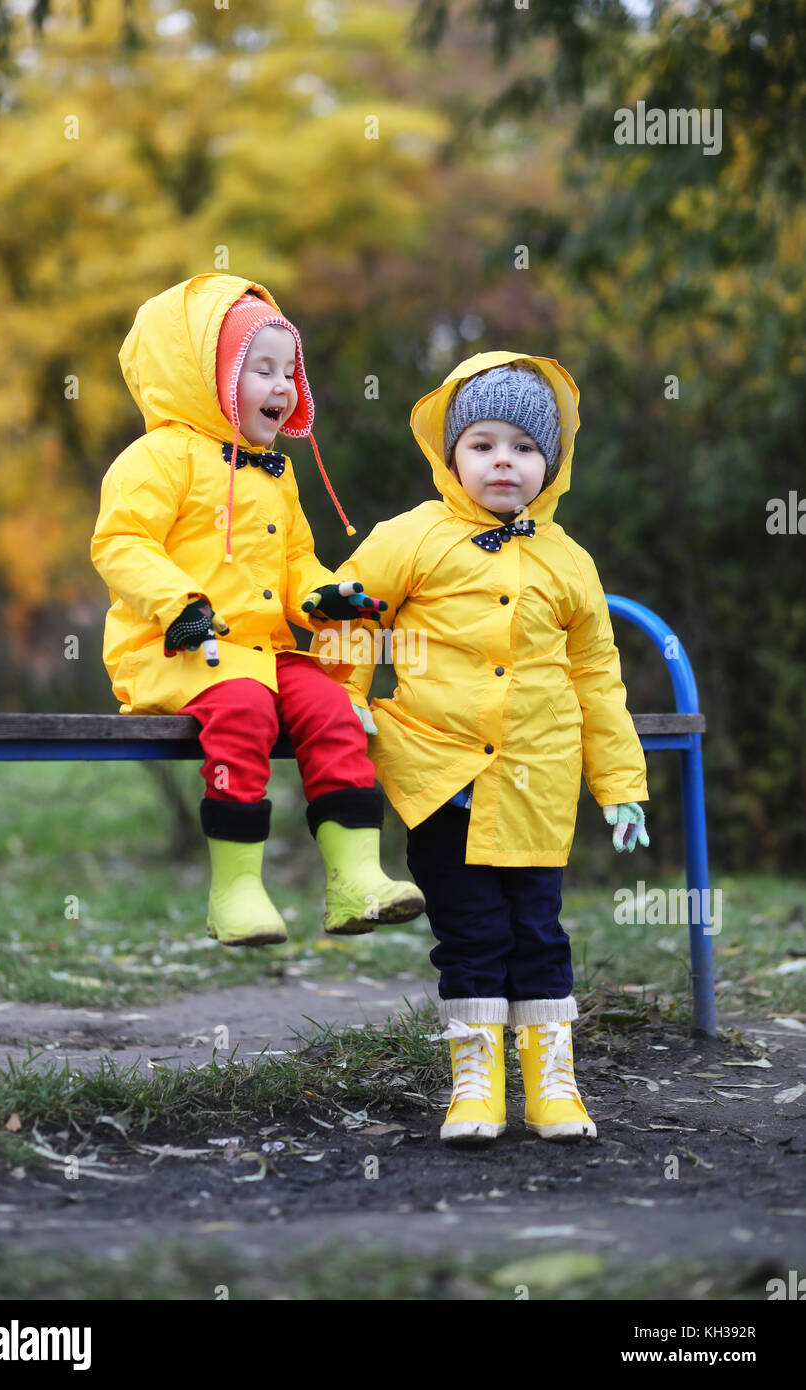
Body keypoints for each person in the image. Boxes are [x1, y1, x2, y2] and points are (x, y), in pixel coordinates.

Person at [311, 352, 650, 1143]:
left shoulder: (570, 562)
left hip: (538, 779)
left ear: (551, 465)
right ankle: (475, 1085)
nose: (505, 460)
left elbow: (598, 677)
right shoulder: (411, 538)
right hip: (441, 774)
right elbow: (349, 612)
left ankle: (552, 1083)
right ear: (452, 453)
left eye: (526, 448)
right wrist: (347, 699)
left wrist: (620, 784)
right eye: (485, 443)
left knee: (538, 930)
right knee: (470, 932)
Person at [90, 273, 424, 948]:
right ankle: (236, 888)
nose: (283, 387)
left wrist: (320, 595)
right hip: (177, 647)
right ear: (201, 378)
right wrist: (180, 605)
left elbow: (293, 559)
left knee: (333, 707)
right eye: (260, 370)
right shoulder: (157, 459)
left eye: (289, 372)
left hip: (266, 652)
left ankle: (356, 876)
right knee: (241, 707)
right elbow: (120, 544)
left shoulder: (276, 470)